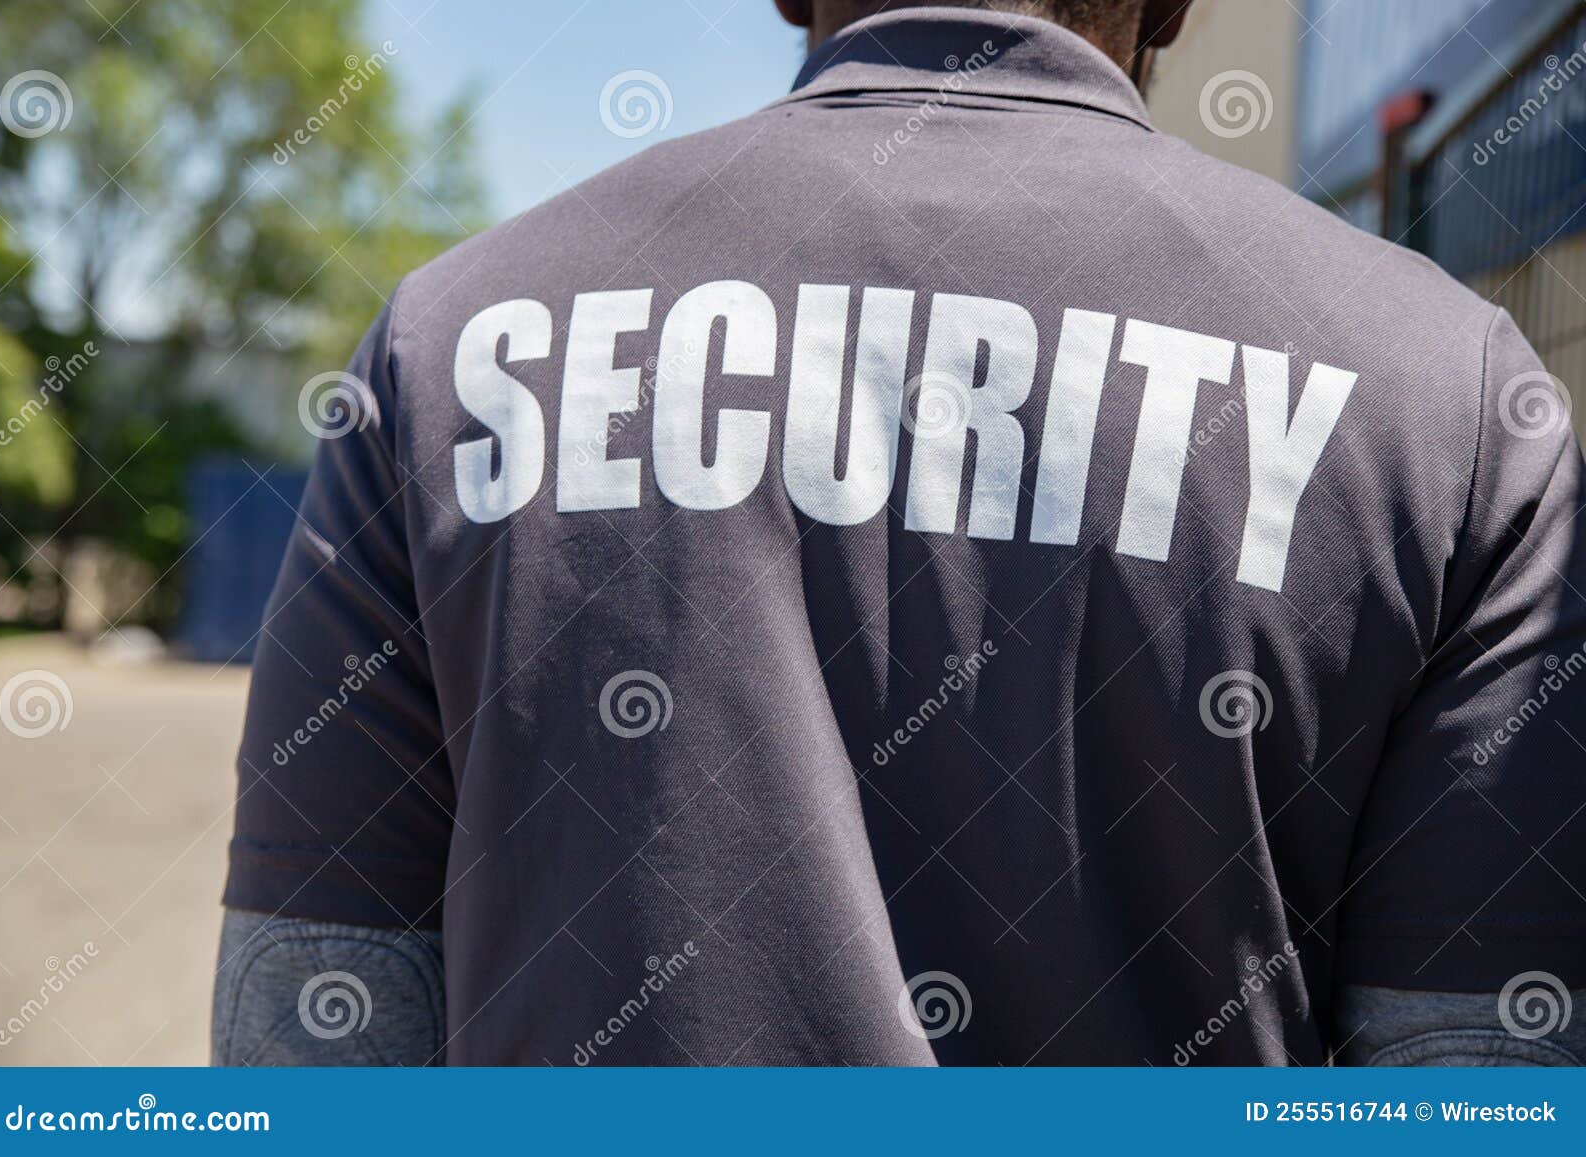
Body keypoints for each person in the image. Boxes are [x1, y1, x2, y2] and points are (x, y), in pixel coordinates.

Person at [213, 0, 1586, 1066]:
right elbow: (1473, 1071)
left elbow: (316, 1029)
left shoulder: (454, 348)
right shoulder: (1450, 401)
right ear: (1175, 8)